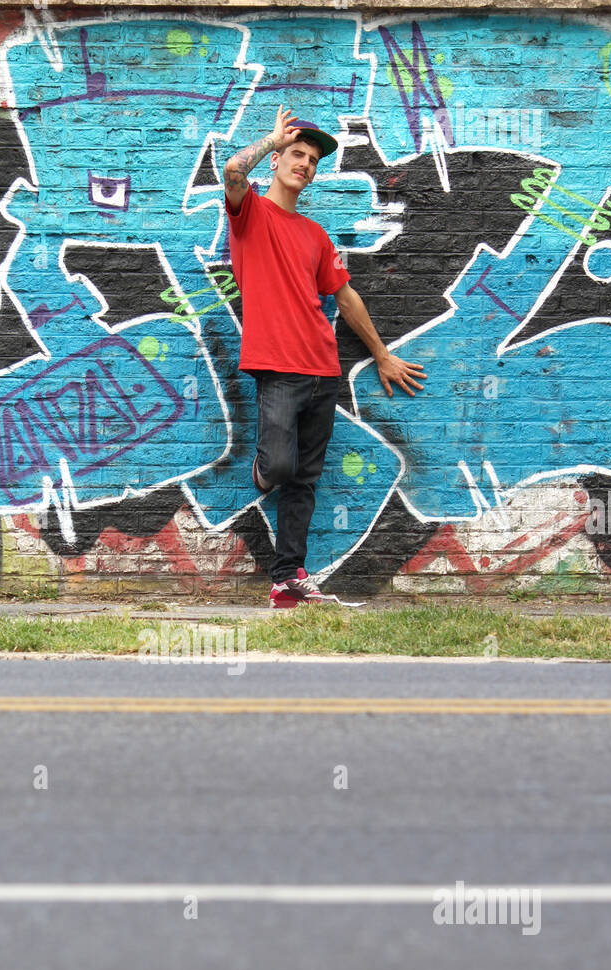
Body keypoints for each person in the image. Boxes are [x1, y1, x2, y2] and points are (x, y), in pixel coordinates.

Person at [223, 106, 427, 608]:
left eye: (313, 160)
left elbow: (346, 296)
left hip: (323, 371)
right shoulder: (250, 213)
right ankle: (264, 476)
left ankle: (288, 576)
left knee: (305, 481)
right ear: (276, 161)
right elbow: (230, 171)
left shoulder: (314, 233)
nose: (305, 164)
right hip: (277, 369)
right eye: (298, 154)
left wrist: (381, 354)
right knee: (278, 466)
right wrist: (271, 141)